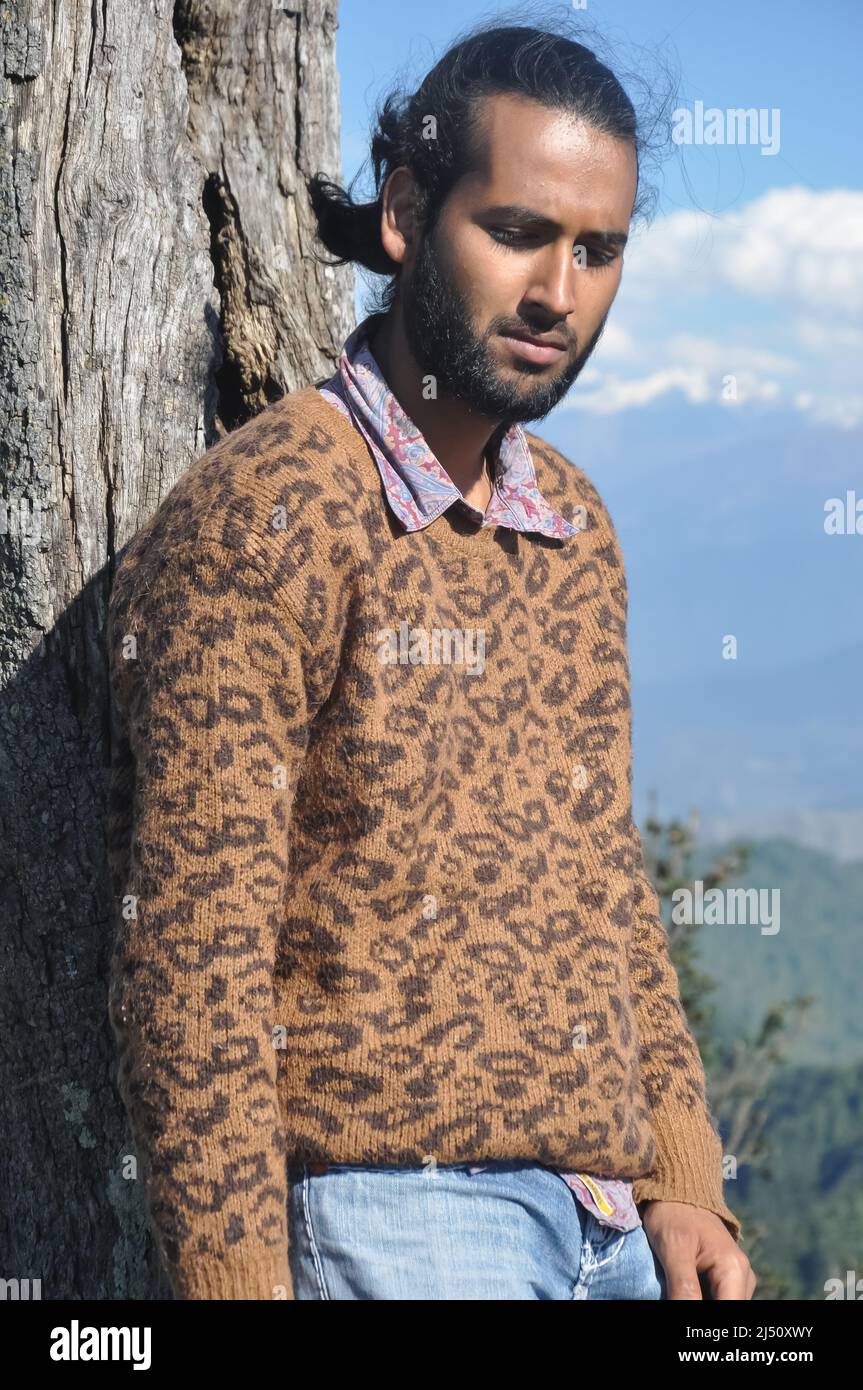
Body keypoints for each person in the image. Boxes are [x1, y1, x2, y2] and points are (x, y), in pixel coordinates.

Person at [106, 19, 754, 1300]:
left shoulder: (572, 521)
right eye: (516, 232)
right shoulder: (276, 510)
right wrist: (234, 1276)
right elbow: (193, 944)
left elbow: (600, 872)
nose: (558, 293)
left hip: (608, 1218)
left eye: (597, 249)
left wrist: (682, 1180)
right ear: (406, 212)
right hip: (395, 1214)